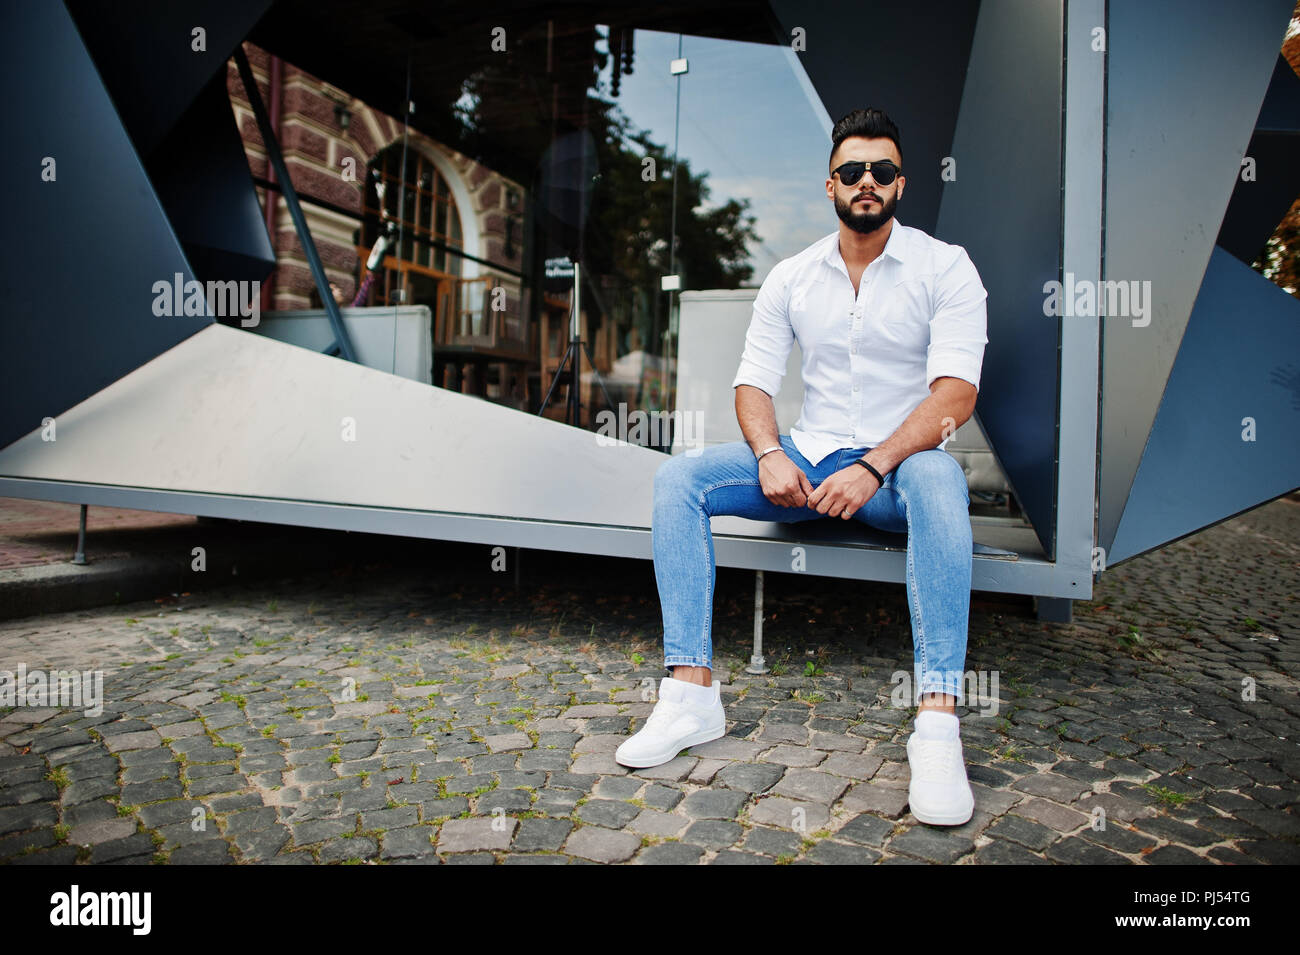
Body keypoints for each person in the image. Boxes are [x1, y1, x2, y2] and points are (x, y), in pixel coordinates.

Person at [615, 107, 988, 827]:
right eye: (853, 171)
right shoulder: (793, 275)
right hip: (808, 461)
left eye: (882, 170)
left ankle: (938, 723)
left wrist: (875, 466)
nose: (867, 181)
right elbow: (752, 383)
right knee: (678, 479)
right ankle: (691, 693)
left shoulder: (947, 267)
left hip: (896, 470)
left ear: (902, 183)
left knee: (943, 479)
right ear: (830, 185)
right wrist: (769, 452)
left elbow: (955, 396)